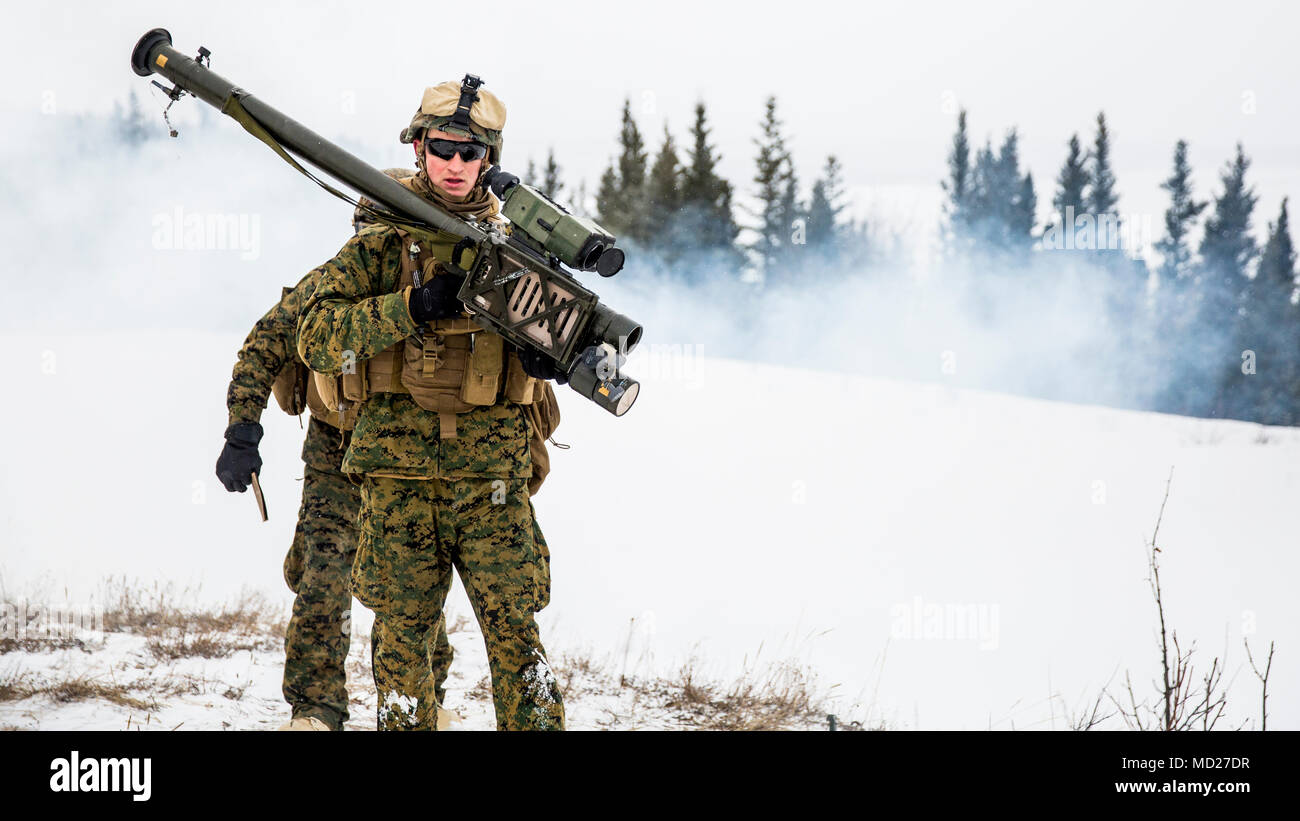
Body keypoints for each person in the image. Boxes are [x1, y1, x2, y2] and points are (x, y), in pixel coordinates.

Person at [297, 76, 566, 731]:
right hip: (397, 474)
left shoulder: (518, 251)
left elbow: (564, 348)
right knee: (401, 644)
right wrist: (410, 307)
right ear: (419, 147)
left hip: (492, 476)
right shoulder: (381, 239)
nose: (454, 164)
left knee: (517, 635)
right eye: (442, 147)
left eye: (470, 153)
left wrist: (543, 357)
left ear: (489, 161)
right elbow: (316, 334)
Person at [214, 169, 456, 730]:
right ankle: (316, 709)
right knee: (323, 578)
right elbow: (262, 347)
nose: (373, 245)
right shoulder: (328, 287)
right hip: (336, 455)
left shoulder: (440, 293)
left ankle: (426, 700)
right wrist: (241, 430)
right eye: (367, 232)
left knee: (413, 587)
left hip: (409, 461)